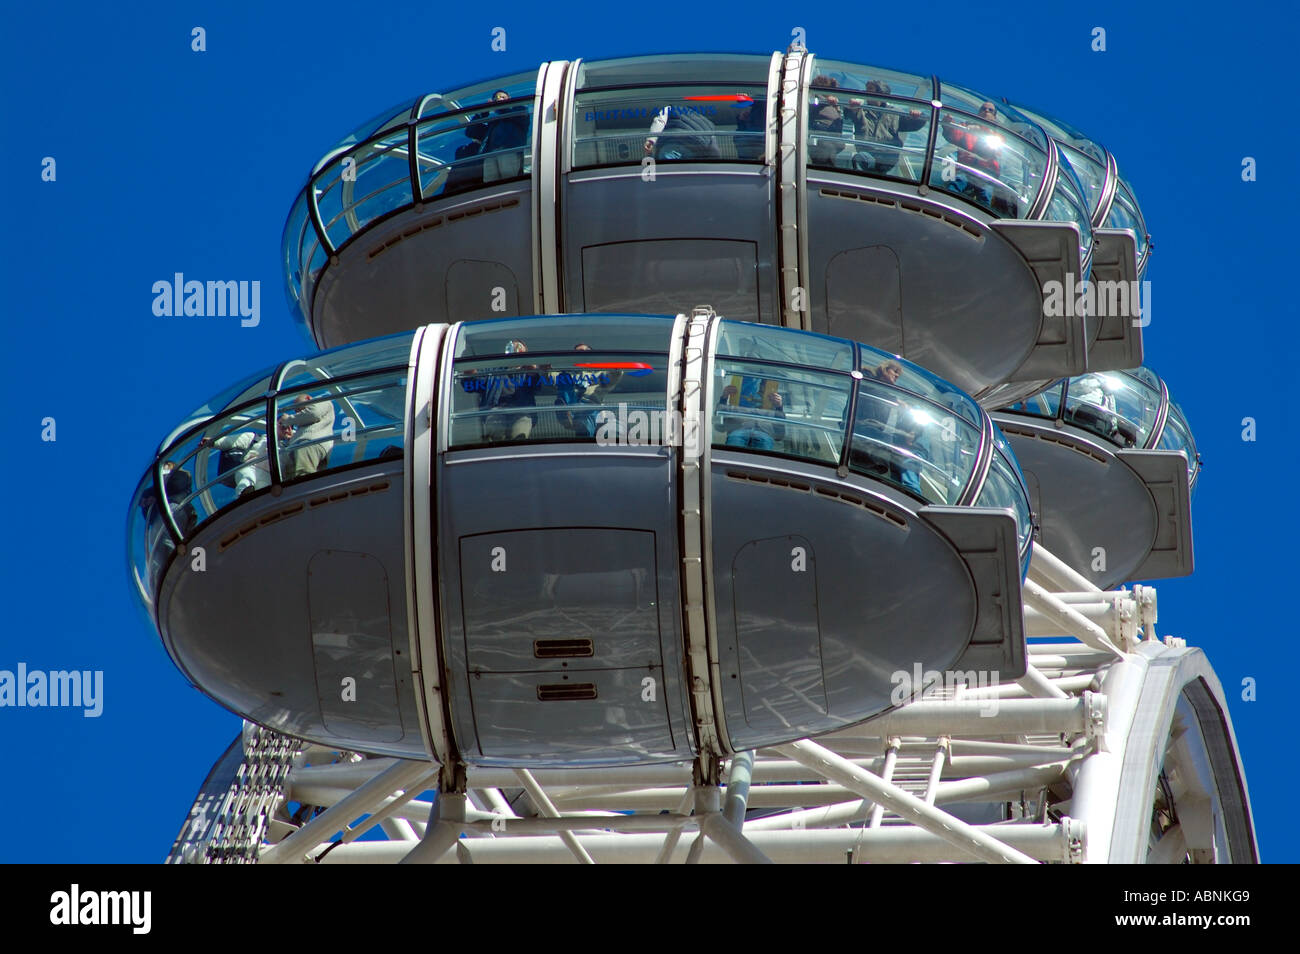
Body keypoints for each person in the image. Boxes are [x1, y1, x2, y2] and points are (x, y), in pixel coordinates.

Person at [848, 80, 927, 175]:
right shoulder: (861, 110)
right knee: (861, 161)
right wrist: (852, 106)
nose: (866, 92)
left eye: (870, 89)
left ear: (881, 93)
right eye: (866, 89)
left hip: (887, 158)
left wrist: (919, 116)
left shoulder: (895, 112)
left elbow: (913, 125)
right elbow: (849, 114)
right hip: (866, 155)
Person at [940, 101, 1004, 205]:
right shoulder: (967, 126)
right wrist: (947, 125)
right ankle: (947, 206)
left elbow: (999, 148)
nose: (986, 111)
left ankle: (984, 217)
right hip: (967, 168)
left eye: (990, 110)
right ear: (979, 113)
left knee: (985, 196)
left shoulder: (999, 132)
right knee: (956, 184)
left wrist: (981, 129)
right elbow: (954, 135)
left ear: (994, 117)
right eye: (983, 109)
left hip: (987, 172)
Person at [482, 338, 543, 441]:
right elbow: (474, 383)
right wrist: (469, 371)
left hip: (522, 411)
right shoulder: (495, 370)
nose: (515, 352)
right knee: (496, 435)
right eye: (512, 348)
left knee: (519, 436)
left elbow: (537, 386)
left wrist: (532, 370)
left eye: (519, 349)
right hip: (497, 410)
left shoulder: (527, 372)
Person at [717, 373, 786, 450]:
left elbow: (780, 435)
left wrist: (779, 407)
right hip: (738, 431)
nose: (758, 391)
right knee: (734, 451)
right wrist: (724, 397)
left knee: (763, 456)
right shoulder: (734, 403)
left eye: (762, 386)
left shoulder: (772, 409)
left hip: (764, 434)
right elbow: (719, 427)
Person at [280, 393, 336, 479]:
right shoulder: (305, 422)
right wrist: (290, 440)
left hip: (308, 444)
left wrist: (288, 419)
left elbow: (314, 413)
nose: (297, 411)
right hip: (308, 446)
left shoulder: (321, 402)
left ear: (308, 398)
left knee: (303, 476)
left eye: (298, 406)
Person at [644, 103, 721, 160]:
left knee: (666, 166)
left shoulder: (672, 109)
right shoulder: (709, 124)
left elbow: (659, 122)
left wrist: (651, 140)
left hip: (671, 144)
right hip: (694, 149)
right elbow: (714, 151)